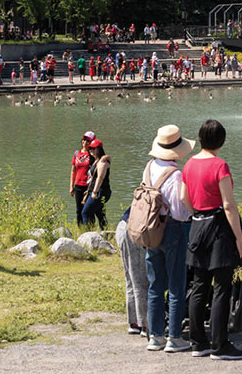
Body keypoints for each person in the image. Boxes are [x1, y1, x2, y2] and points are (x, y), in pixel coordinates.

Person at [183, 120, 242, 360]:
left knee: (199, 285)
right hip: (219, 227)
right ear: (221, 140)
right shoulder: (221, 166)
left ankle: (198, 342)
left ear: (200, 138)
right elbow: (229, 204)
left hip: (198, 226)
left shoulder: (188, 165)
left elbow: (183, 197)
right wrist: (238, 238)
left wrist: (197, 215)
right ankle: (220, 346)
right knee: (222, 286)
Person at [142, 126, 195, 353]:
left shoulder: (149, 167)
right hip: (172, 229)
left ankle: (155, 336)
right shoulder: (175, 175)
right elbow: (179, 211)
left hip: (151, 229)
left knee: (155, 285)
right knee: (176, 284)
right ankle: (174, 337)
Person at [115, 207, 150, 337]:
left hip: (123, 226)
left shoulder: (147, 187)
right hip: (135, 231)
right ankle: (145, 324)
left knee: (131, 279)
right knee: (140, 281)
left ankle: (134, 322)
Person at [81, 140, 112, 229]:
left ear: (99, 149)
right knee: (100, 214)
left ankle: (87, 234)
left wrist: (94, 192)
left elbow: (100, 178)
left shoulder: (102, 162)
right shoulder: (96, 160)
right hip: (95, 191)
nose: (91, 150)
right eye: (90, 148)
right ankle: (106, 233)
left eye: (93, 148)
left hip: (100, 192)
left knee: (85, 212)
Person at [70, 132, 96, 226]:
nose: (85, 142)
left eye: (88, 140)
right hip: (78, 185)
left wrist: (91, 188)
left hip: (88, 186)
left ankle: (90, 229)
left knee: (89, 209)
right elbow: (73, 170)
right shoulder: (77, 153)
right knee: (79, 210)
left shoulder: (92, 155)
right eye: (84, 139)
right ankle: (80, 230)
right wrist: (71, 186)